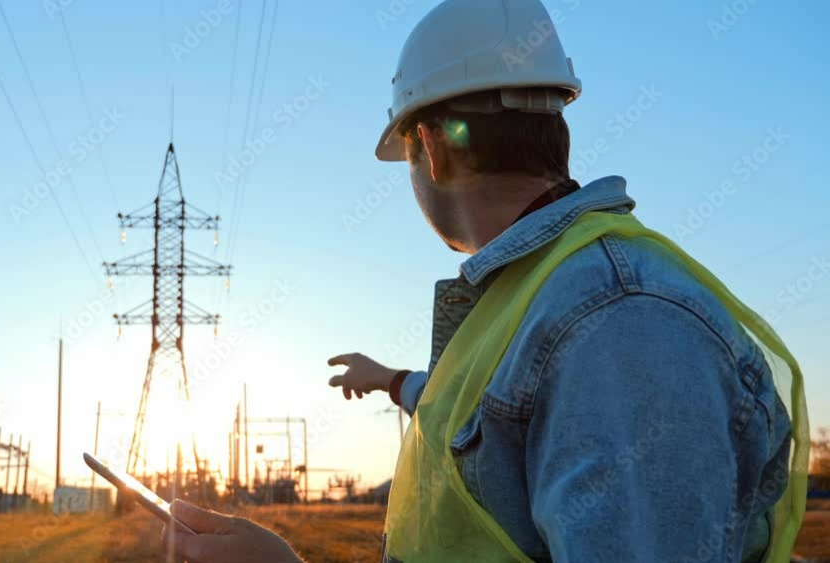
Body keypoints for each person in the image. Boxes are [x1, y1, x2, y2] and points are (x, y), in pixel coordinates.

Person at [162, 0, 809, 561]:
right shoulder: (539, 301)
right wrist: (389, 380)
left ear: (434, 148)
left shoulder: (618, 320)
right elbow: (485, 430)